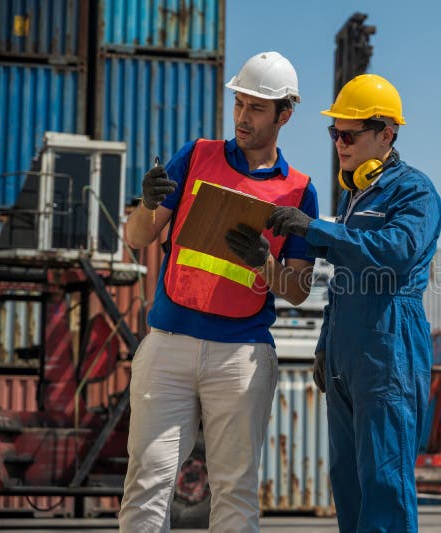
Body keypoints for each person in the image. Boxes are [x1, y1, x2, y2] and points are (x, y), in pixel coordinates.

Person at [118, 51, 318, 532]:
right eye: (239, 104)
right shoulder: (196, 155)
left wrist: (264, 264)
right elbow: (137, 237)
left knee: (235, 491)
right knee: (147, 482)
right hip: (168, 345)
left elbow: (297, 289)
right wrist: (147, 204)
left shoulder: (299, 191)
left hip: (242, 356)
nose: (242, 118)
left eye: (256, 108)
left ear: (284, 114)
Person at [267, 74, 441, 532]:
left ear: (387, 133)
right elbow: (343, 279)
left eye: (349, 134)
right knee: (346, 481)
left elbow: (394, 252)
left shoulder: (415, 192)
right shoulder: (352, 196)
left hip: (389, 347)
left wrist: (314, 229)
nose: (338, 143)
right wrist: (325, 343)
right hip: (348, 351)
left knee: (384, 482)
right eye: (334, 133)